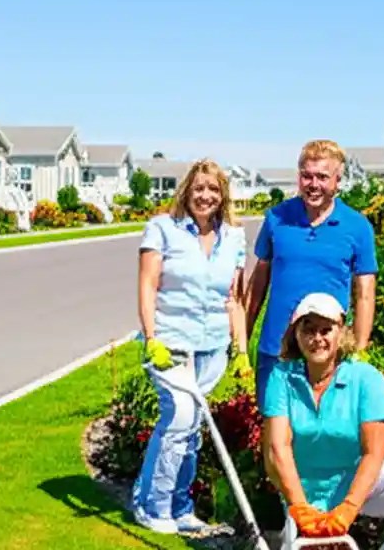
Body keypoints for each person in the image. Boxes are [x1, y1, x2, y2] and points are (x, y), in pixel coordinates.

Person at [264, 292, 384, 549]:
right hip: (303, 490)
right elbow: (277, 450)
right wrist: (300, 507)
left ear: (341, 333)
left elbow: (374, 453)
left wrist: (348, 508)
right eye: (309, 329)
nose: (317, 338)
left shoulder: (366, 378)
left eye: (326, 330)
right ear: (295, 333)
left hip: (358, 482)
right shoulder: (281, 378)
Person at [131, 158, 253, 535]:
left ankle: (182, 507)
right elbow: (148, 285)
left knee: (193, 426)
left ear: (223, 195)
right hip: (170, 343)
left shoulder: (234, 236)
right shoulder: (162, 229)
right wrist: (152, 339)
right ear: (186, 190)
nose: (205, 196)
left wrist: (241, 349)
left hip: (212, 345)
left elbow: (235, 298)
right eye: (199, 188)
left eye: (213, 189)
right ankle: (150, 504)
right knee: (180, 416)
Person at [244, 139, 377, 416]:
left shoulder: (357, 226)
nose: (313, 184)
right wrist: (241, 340)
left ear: (338, 181)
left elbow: (365, 293)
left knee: (321, 434)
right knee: (273, 435)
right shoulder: (276, 218)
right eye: (307, 176)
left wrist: (360, 350)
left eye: (322, 177)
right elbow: (258, 283)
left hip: (327, 352)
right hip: (276, 350)